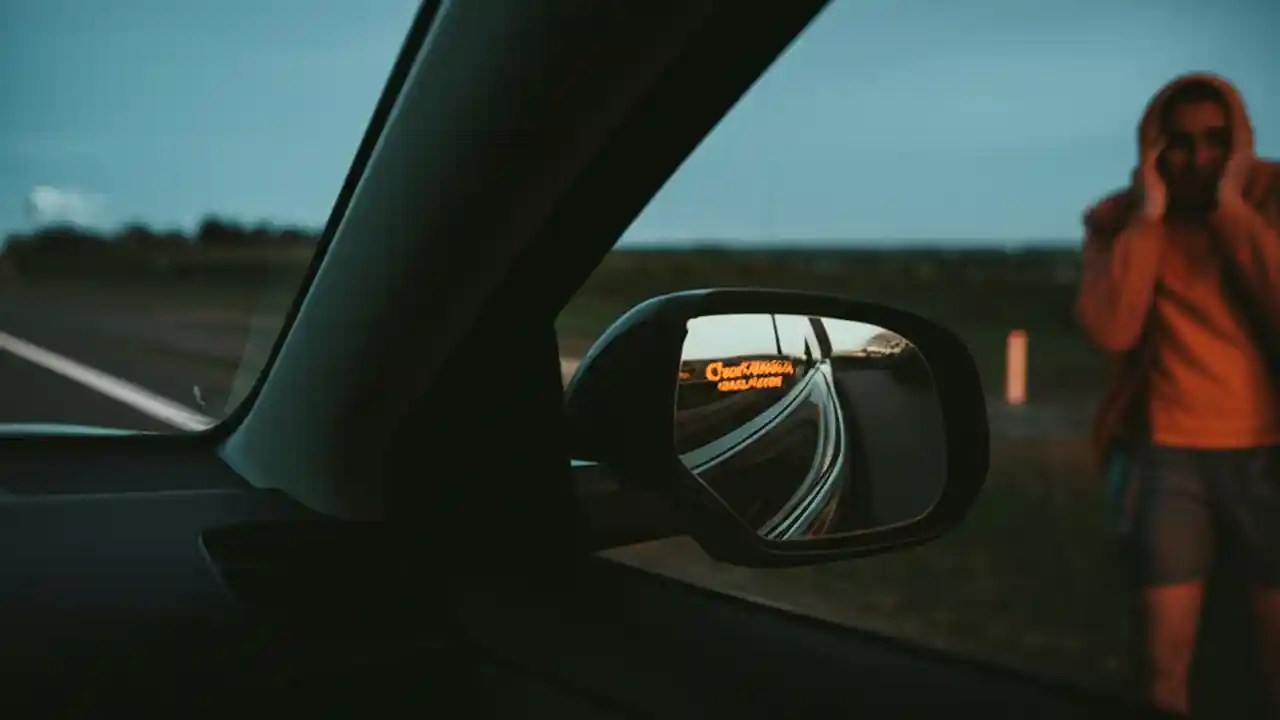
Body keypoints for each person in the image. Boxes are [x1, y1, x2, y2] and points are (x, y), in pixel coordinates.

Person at [1077, 72, 1280, 715]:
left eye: (1216, 141)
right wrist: (1149, 218)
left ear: (1241, 143)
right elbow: (1112, 329)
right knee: (1163, 664)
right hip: (1170, 457)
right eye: (1180, 142)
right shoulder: (1125, 220)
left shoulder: (1270, 202)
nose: (1197, 157)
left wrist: (1230, 209)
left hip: (1267, 457)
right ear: (1153, 148)